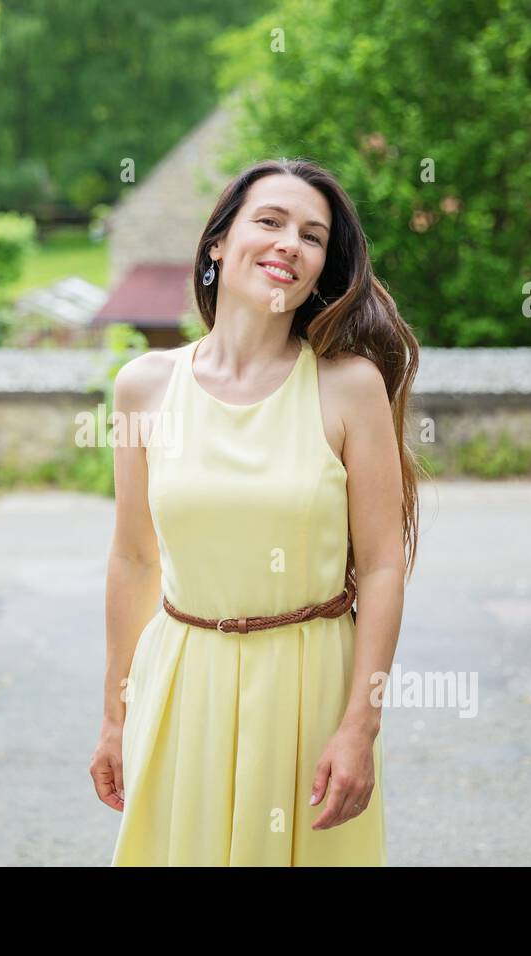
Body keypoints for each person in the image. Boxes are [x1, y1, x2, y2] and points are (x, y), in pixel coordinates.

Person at [90, 158, 421, 865]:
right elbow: (134, 557)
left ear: (320, 267)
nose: (288, 244)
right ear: (218, 242)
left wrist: (360, 725)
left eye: (312, 236)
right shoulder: (142, 389)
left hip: (310, 688)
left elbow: (386, 566)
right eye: (268, 221)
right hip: (183, 683)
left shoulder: (349, 388)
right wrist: (115, 715)